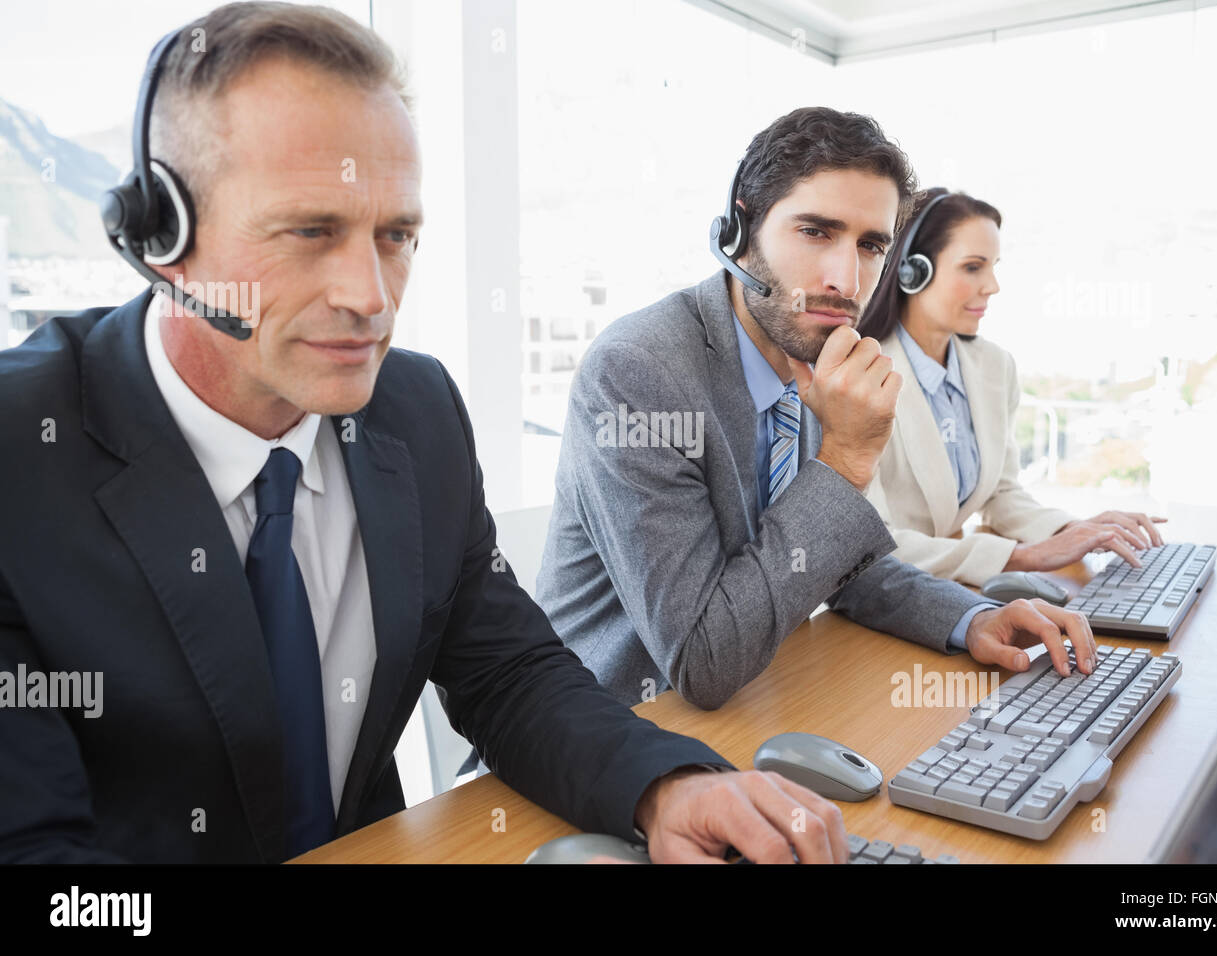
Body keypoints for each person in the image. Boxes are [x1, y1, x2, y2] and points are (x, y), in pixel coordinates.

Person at [0, 3, 856, 866]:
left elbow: (507, 674)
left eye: (396, 235)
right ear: (162, 236)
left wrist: (667, 788)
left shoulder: (414, 409)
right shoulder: (18, 454)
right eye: (311, 231)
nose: (371, 296)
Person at [536, 107, 1097, 713]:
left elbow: (841, 565)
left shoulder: (809, 354)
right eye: (816, 232)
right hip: (619, 728)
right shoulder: (638, 373)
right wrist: (845, 459)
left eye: (871, 245)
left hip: (762, 702)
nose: (847, 278)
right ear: (740, 230)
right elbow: (703, 659)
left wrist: (973, 618)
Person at [856, 187, 1167, 587]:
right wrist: (1025, 557)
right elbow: (873, 541)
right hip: (885, 594)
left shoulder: (993, 366)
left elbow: (1000, 492)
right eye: (973, 267)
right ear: (911, 272)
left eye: (993, 266)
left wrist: (1072, 531)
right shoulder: (863, 377)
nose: (992, 285)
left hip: (954, 585)